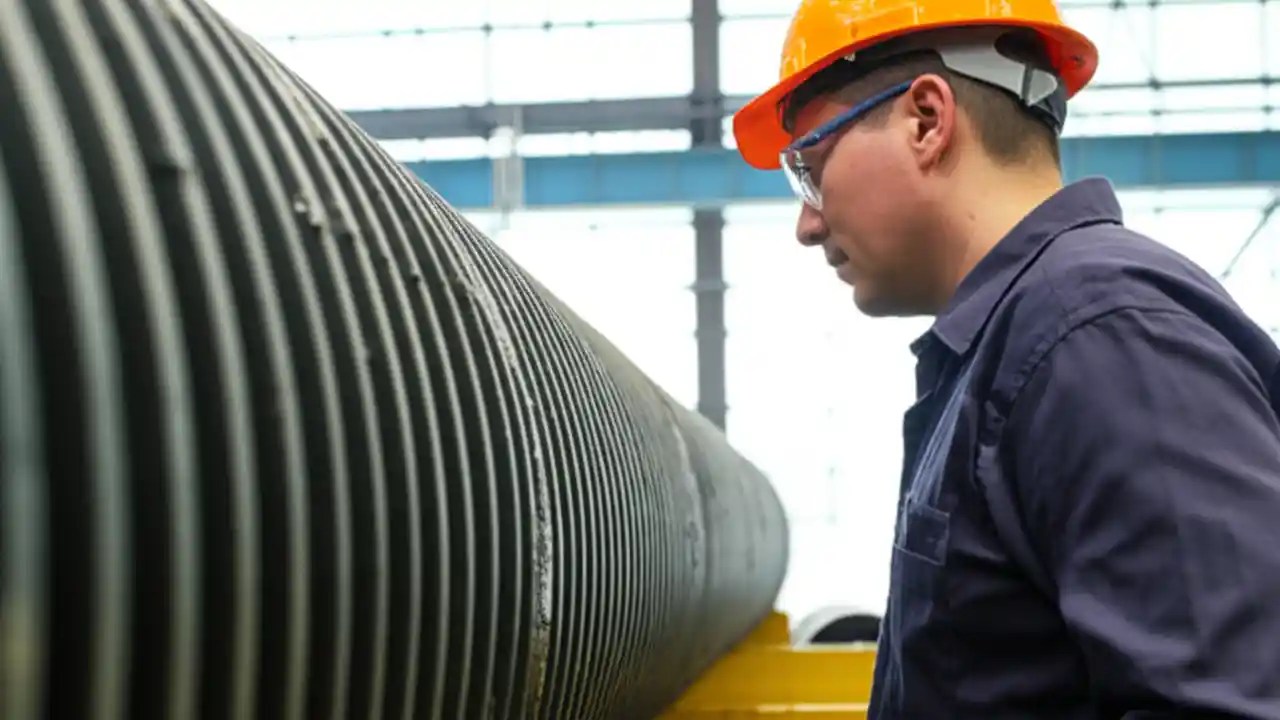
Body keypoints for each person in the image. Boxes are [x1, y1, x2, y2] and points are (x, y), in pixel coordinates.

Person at [732, 1, 1280, 718]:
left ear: (926, 120)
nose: (806, 224)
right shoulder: (1020, 346)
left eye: (808, 167)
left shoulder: (1096, 338)